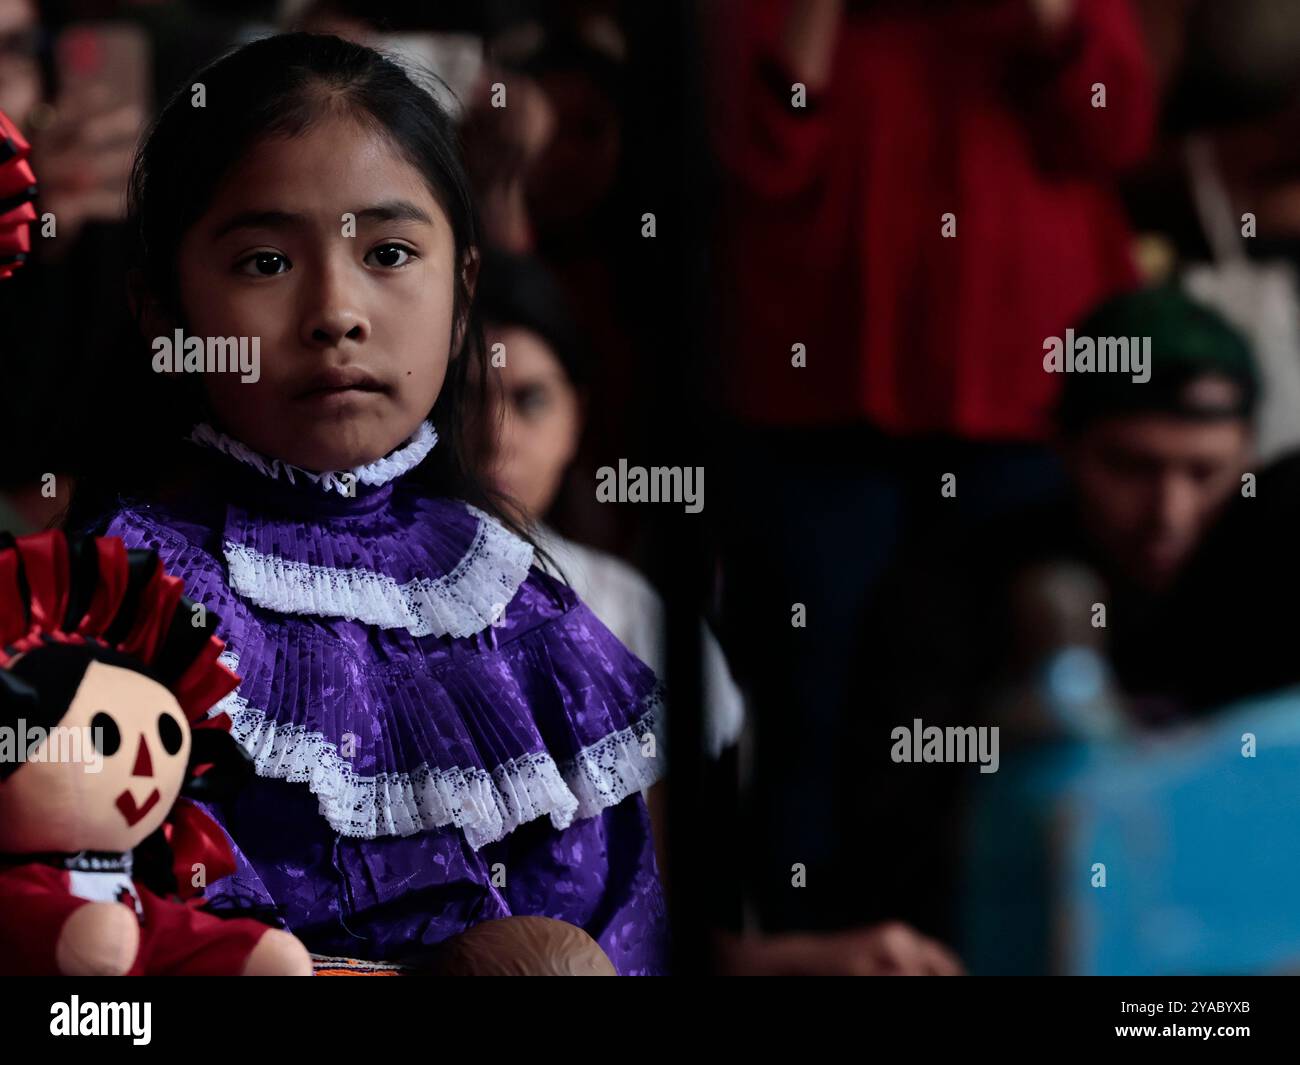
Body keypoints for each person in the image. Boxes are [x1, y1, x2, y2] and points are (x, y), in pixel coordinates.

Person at [60, 33, 667, 975]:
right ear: (161, 310)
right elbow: (111, 927)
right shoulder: (122, 597)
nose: (336, 312)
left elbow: (624, 918)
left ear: (463, 289)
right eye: (265, 262)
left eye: (388, 251)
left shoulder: (520, 603)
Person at [474, 249, 963, 975]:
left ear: (579, 416)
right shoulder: (344, 607)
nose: (494, 434)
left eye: (530, 399)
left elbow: (681, 938)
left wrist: (813, 962)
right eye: (464, 397)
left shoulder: (632, 617)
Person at [835, 283, 1260, 941]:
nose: (1169, 515)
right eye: (1132, 467)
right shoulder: (950, 593)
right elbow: (889, 848)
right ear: (1063, 447)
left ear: (1249, 456)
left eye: (1204, 473)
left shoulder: (1272, 589)